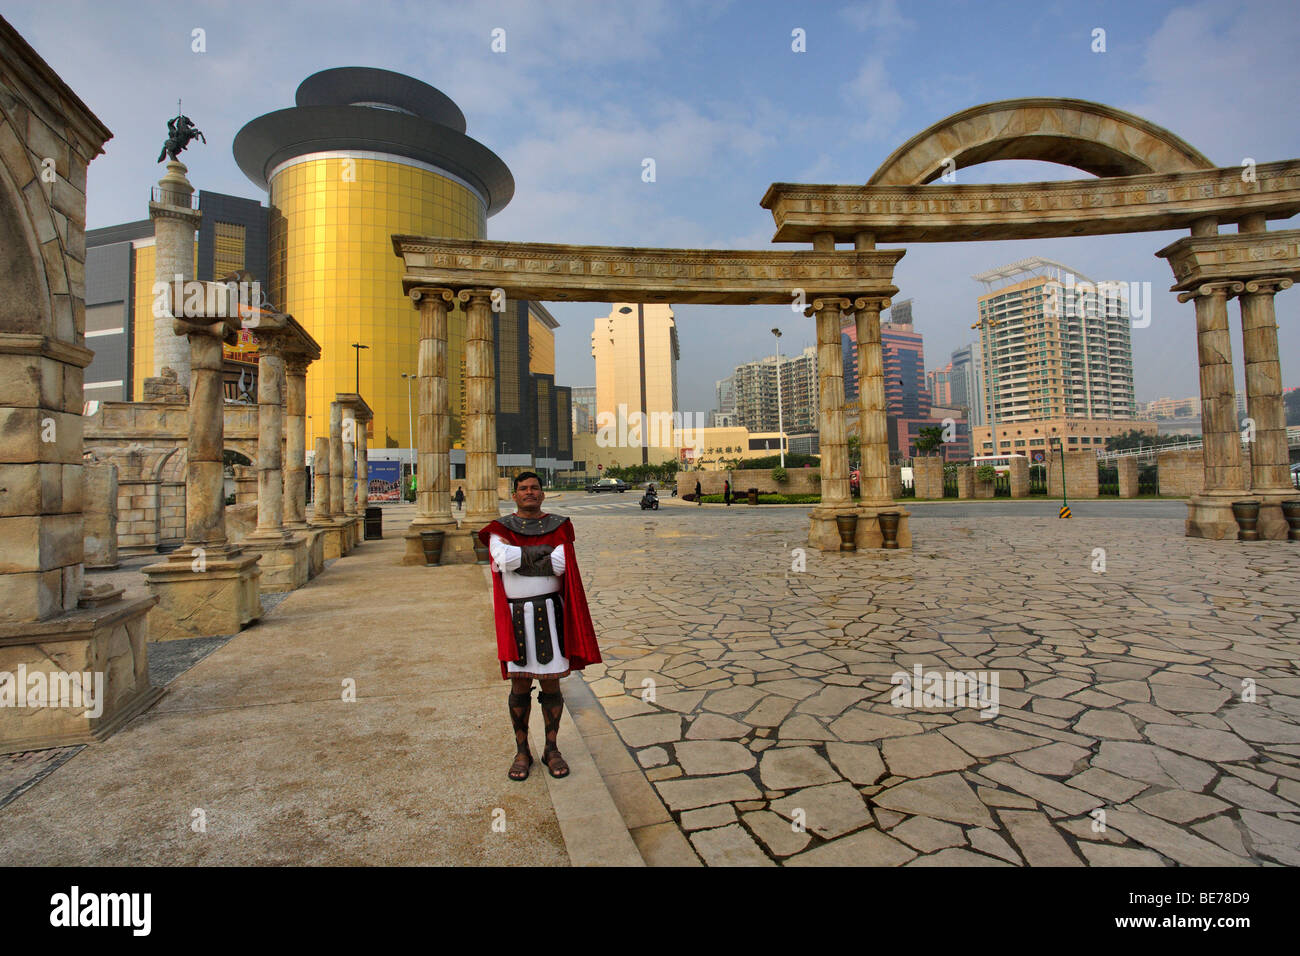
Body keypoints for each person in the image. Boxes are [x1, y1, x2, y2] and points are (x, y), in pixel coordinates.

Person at [478, 472, 600, 782]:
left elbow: (561, 564)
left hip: (551, 613)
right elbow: (501, 558)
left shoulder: (559, 525)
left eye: (535, 488)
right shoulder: (499, 529)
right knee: (519, 686)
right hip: (516, 616)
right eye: (523, 489)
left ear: (543, 494)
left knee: (551, 684)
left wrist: (521, 559)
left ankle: (552, 748)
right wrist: (543, 554)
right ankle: (522, 751)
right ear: (515, 495)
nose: (529, 493)